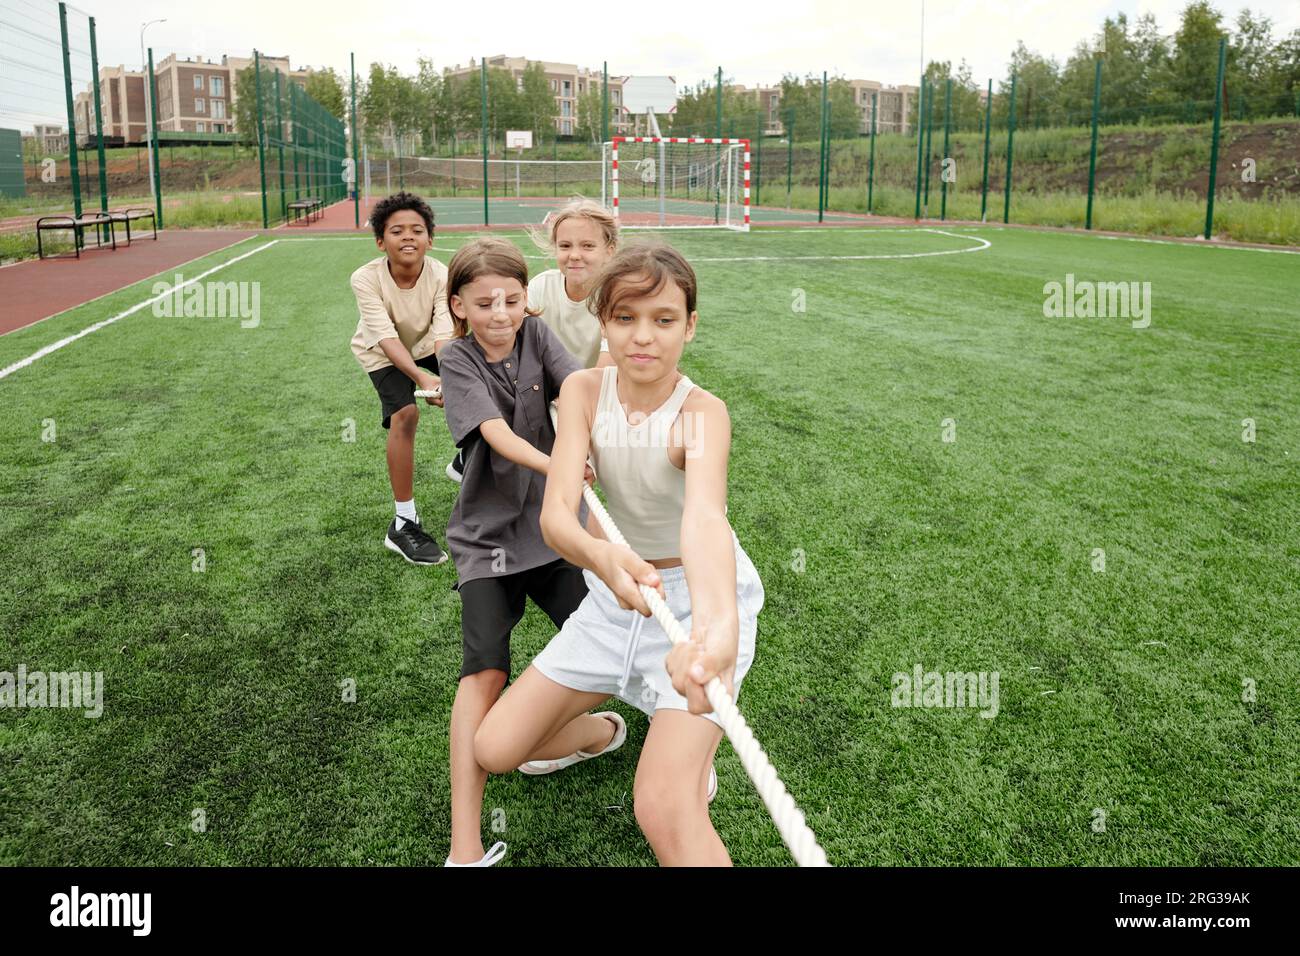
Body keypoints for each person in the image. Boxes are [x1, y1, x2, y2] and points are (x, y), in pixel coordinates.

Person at [474, 243, 764, 866]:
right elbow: (557, 517)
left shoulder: (702, 413)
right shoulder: (581, 390)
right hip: (611, 598)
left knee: (662, 809)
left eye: (664, 320)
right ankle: (609, 732)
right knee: (496, 749)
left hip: (692, 606)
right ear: (602, 323)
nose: (644, 337)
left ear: (690, 325)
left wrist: (716, 630)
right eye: (625, 318)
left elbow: (705, 521)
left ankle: (687, 765)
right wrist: (604, 562)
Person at [435, 237, 619, 867]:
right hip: (488, 541)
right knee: (484, 670)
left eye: (512, 299)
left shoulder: (537, 338)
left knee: (615, 646)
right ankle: (465, 847)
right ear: (458, 305)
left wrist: (604, 421)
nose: (501, 313)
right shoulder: (453, 357)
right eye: (484, 302)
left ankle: (595, 733)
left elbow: (580, 387)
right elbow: (495, 434)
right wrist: (562, 464)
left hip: (552, 530)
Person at [348, 191, 452, 565]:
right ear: (380, 241)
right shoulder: (365, 278)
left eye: (417, 230)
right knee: (406, 414)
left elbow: (445, 331)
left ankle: (464, 460)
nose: (408, 236)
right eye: (397, 231)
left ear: (430, 239)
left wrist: (450, 379)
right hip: (381, 351)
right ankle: (404, 522)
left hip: (426, 345)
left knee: (477, 384)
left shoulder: (443, 274)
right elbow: (386, 336)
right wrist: (422, 381)